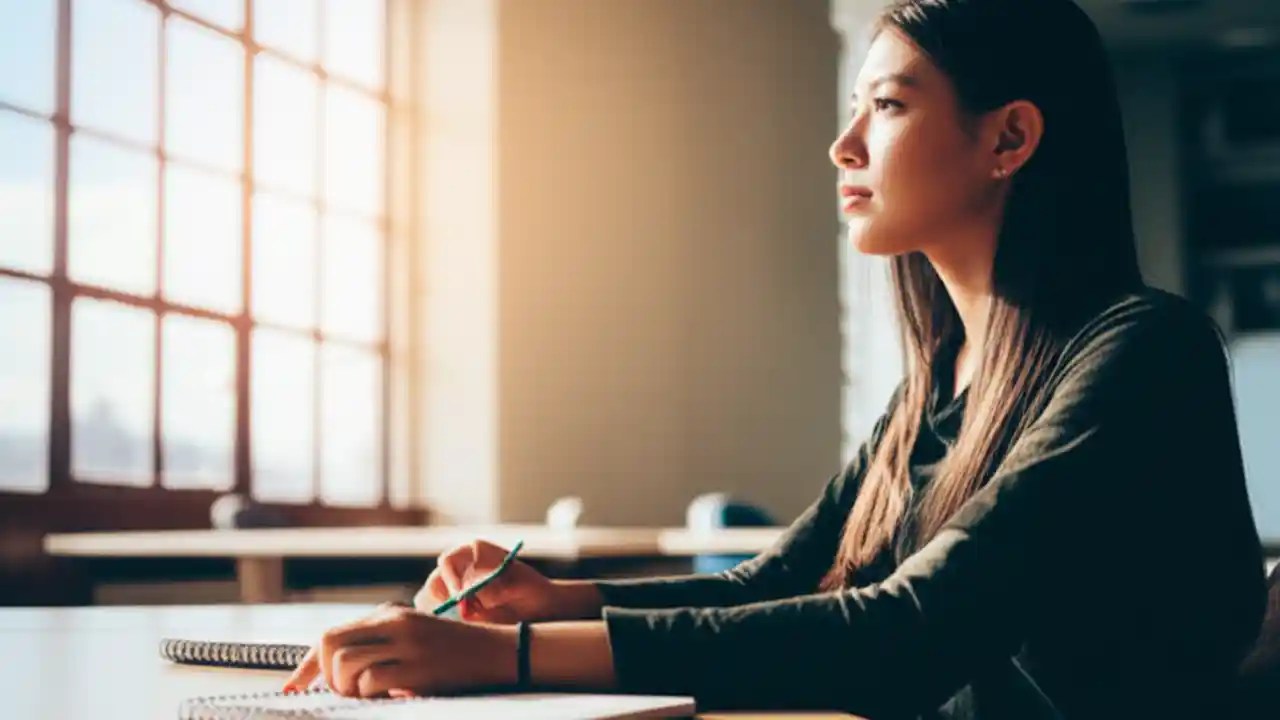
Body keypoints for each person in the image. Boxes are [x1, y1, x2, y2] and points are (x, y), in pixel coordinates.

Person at [284, 0, 1268, 716]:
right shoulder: (939, 381)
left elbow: (903, 631)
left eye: (884, 106)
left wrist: (510, 656)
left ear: (1007, 137)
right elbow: (782, 578)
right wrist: (558, 601)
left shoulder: (1143, 353)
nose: (841, 146)